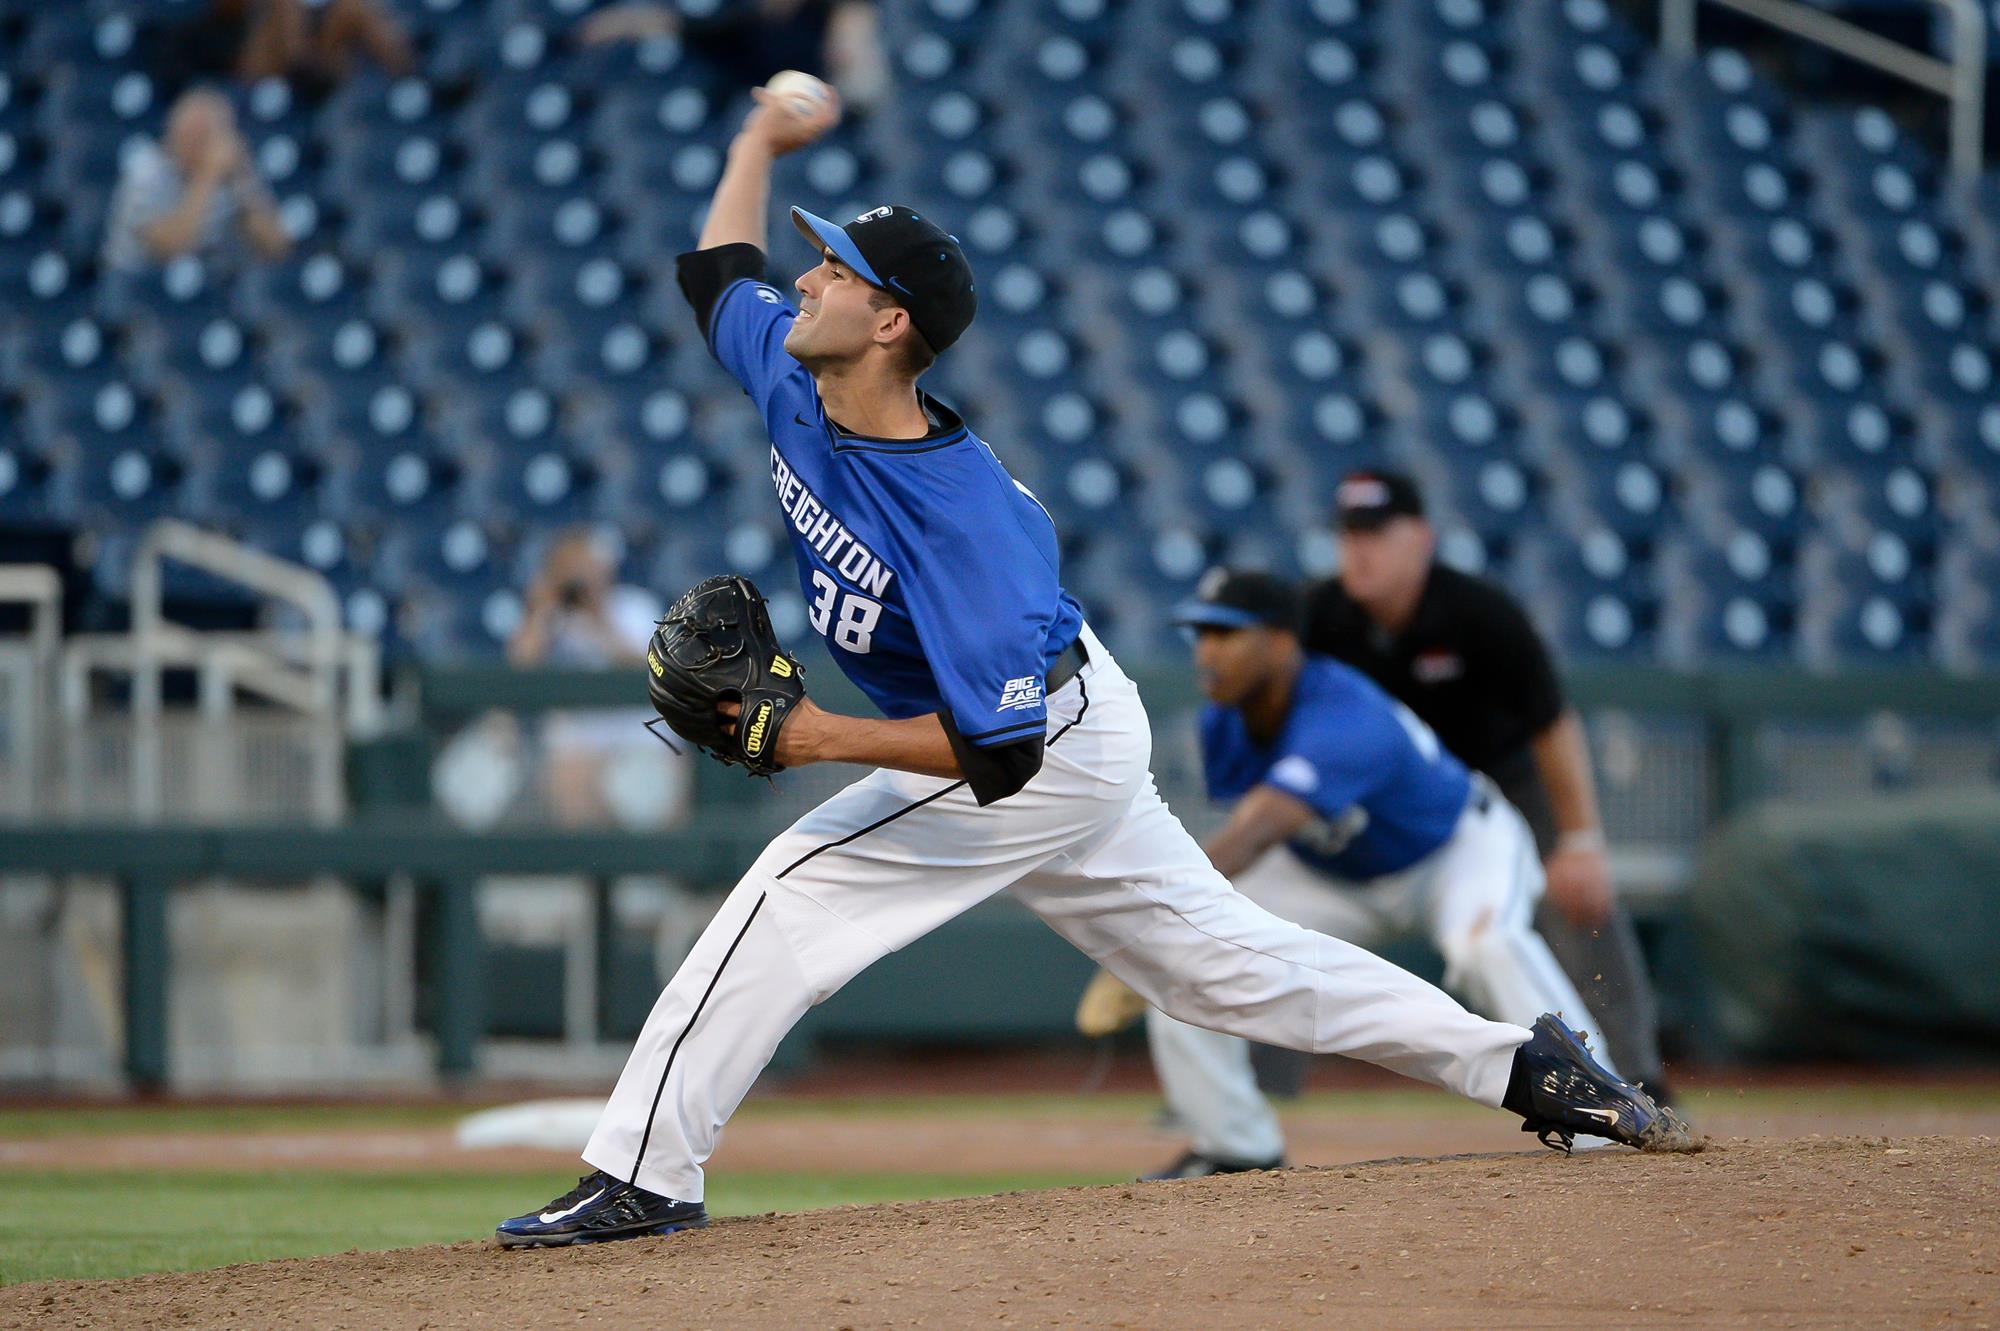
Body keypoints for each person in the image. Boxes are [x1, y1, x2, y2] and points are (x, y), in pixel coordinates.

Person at [493, 83, 1687, 1248]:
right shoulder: (796, 374)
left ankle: (640, 1173)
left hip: (1034, 740)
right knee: (1229, 971)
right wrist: (757, 133)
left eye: (834, 269)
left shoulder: (964, 523)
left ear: (891, 322)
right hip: (1066, 720)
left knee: (788, 893)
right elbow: (716, 270)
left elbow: (997, 754)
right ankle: (1528, 1064)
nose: (802, 277)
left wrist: (811, 737)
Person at [1132, 568, 1619, 1179]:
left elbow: (1259, 828)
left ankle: (1603, 1108)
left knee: (1488, 947)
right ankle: (1236, 1145)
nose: (1207, 650)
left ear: (1283, 642)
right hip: (1334, 871)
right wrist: (1169, 934)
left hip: (1454, 851)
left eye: (1227, 633)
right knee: (1191, 953)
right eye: (1200, 633)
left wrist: (1161, 909)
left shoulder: (1344, 710)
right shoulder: (1223, 719)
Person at [1302, 470, 1673, 1098]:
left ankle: (1637, 1078)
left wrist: (1579, 839)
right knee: (1280, 923)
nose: (1357, 549)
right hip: (1388, 803)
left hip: (1504, 784)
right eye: (1347, 535)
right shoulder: (1321, 616)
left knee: (1578, 908)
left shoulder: (1477, 611)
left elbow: (1552, 723)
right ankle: (1254, 1104)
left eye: (1374, 533)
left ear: (1419, 538)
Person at [507, 530, 667, 827]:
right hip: (581, 729)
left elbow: (648, 666)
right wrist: (542, 611)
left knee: (652, 798)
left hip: (636, 727)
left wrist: (598, 619)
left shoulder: (633, 605)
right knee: (571, 779)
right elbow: (520, 665)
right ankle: (588, 870)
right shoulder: (553, 616)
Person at [100, 88, 292, 273]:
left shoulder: (232, 172)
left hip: (210, 289)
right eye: (190, 132)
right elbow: (170, 248)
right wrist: (207, 176)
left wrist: (245, 179)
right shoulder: (145, 172)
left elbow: (276, 248)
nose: (195, 142)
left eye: (205, 134)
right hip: (140, 287)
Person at [149, 0, 414, 98]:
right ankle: (301, 67)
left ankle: (416, 82)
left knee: (351, 8)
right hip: (253, 84)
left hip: (316, 67)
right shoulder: (200, 30)